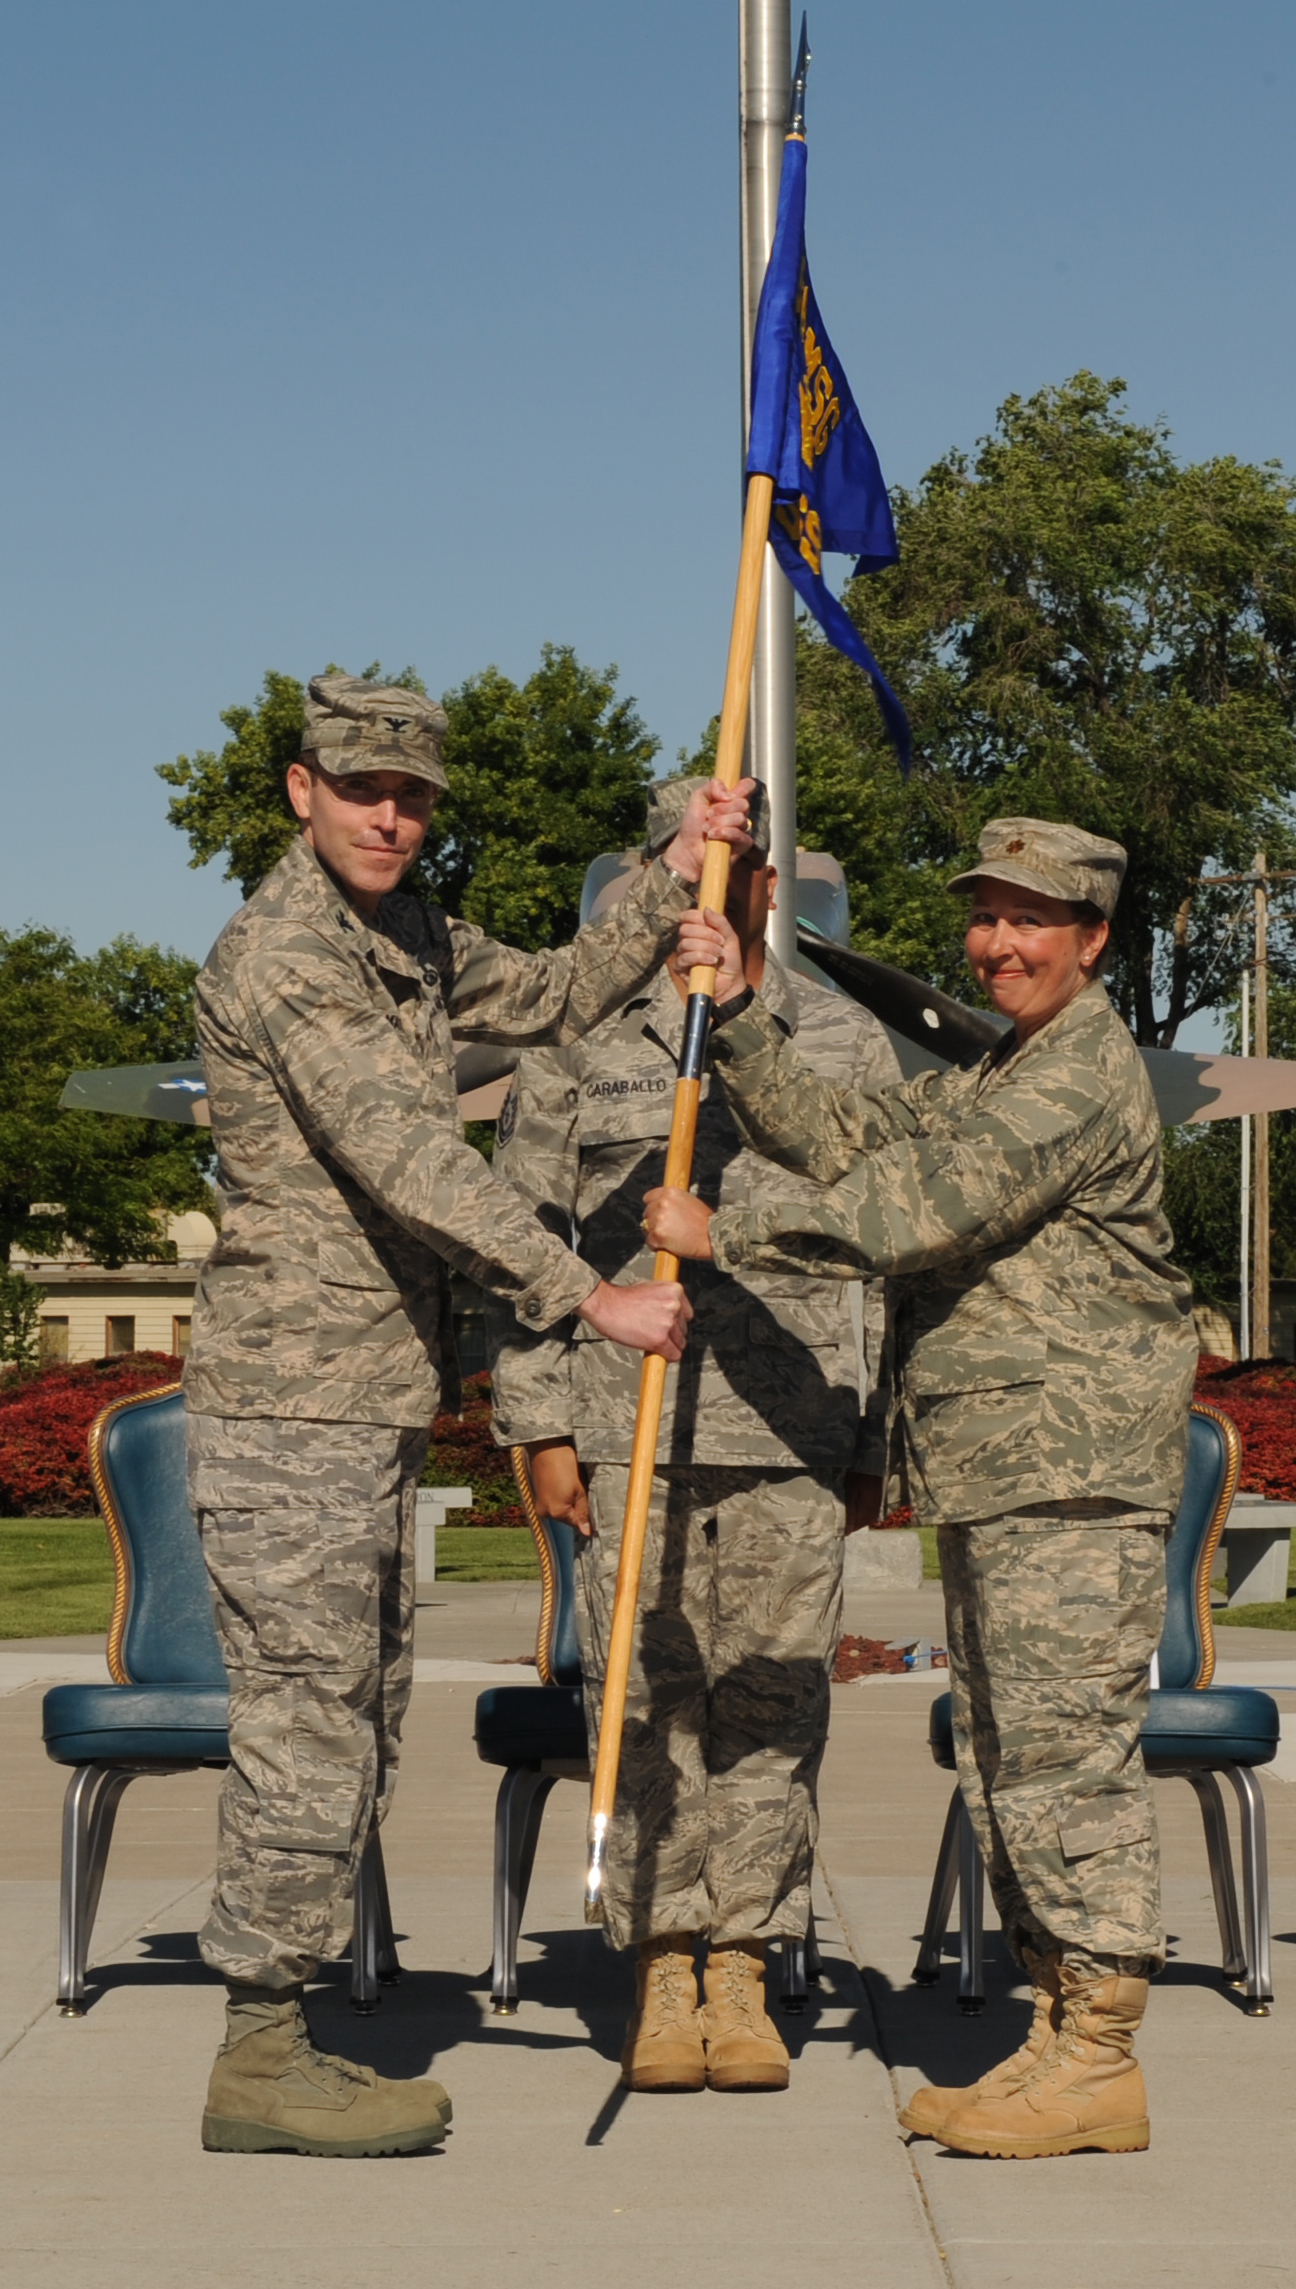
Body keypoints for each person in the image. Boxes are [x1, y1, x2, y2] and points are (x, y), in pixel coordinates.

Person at [185, 672, 754, 2157]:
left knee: (354, 1718)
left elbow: (562, 994)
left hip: (356, 1403)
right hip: (288, 1405)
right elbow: (411, 1163)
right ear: (301, 790)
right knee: (306, 1729)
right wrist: (591, 1295)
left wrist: (673, 863)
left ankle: (285, 2019)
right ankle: (257, 2047)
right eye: (361, 786)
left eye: (414, 794)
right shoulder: (291, 954)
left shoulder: (409, 936)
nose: (390, 814)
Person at [644, 817, 1198, 2159]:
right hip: (1011, 1474)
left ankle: (1100, 2053)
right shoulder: (1005, 1067)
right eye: (987, 914)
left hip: (1071, 1474)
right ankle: (1058, 2038)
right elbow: (849, 1133)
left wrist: (728, 1229)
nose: (998, 942)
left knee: (1069, 1764)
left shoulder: (1075, 1079)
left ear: (1094, 939)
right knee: (1015, 1763)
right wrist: (746, 1005)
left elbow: (920, 1207)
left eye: (1031, 919)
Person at [487, 775, 900, 2094]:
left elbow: (891, 1251)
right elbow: (518, 1241)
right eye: (685, 874)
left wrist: (869, 1439)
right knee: (650, 1700)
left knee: (773, 1702)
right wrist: (540, 1422)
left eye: (735, 874)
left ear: (769, 886)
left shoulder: (843, 1044)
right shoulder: (576, 1043)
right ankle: (664, 1961)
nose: (709, 900)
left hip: (788, 1428)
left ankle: (748, 1960)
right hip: (631, 1433)